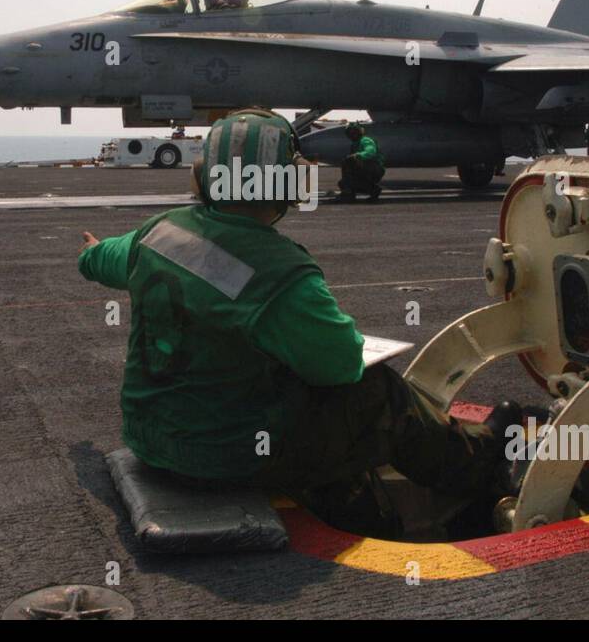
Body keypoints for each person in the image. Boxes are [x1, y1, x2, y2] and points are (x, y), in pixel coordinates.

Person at [78, 107, 519, 538]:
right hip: (222, 456)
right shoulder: (280, 272)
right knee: (376, 391)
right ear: (286, 186)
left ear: (202, 177)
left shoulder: (156, 234)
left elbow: (101, 260)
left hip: (151, 441)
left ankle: (365, 509)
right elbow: (341, 365)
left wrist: (92, 250)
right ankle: (479, 464)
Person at [338, 123, 386, 202]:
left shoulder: (366, 140)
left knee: (349, 162)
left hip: (375, 168)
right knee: (343, 183)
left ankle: (348, 194)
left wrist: (358, 155)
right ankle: (373, 190)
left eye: (354, 132)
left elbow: (371, 151)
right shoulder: (354, 144)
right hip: (366, 169)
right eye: (350, 133)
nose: (352, 134)